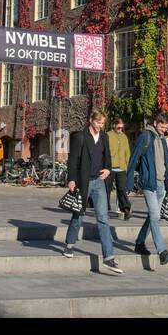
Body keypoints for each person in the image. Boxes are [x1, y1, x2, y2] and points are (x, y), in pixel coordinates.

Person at [64, 110, 122, 275]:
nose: (100, 126)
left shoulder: (104, 137)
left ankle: (108, 257)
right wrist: (71, 179)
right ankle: (69, 244)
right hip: (84, 182)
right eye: (98, 123)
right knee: (79, 214)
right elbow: (73, 159)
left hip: (99, 182)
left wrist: (108, 170)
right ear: (91, 120)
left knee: (103, 218)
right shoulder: (80, 137)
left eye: (102, 123)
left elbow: (108, 157)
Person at [125, 112, 168, 265]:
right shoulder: (146, 136)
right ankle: (162, 251)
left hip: (162, 184)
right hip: (149, 183)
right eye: (162, 127)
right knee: (155, 216)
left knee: (152, 216)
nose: (164, 130)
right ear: (156, 123)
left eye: (166, 128)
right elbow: (134, 158)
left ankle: (139, 243)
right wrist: (128, 184)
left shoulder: (162, 138)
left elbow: (167, 162)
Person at [105, 117, 132, 221]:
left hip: (121, 168)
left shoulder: (124, 137)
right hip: (110, 168)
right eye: (119, 127)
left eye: (122, 128)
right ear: (114, 126)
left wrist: (127, 166)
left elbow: (127, 152)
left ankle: (126, 209)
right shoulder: (108, 135)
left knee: (121, 189)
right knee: (107, 190)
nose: (120, 129)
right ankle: (105, 210)